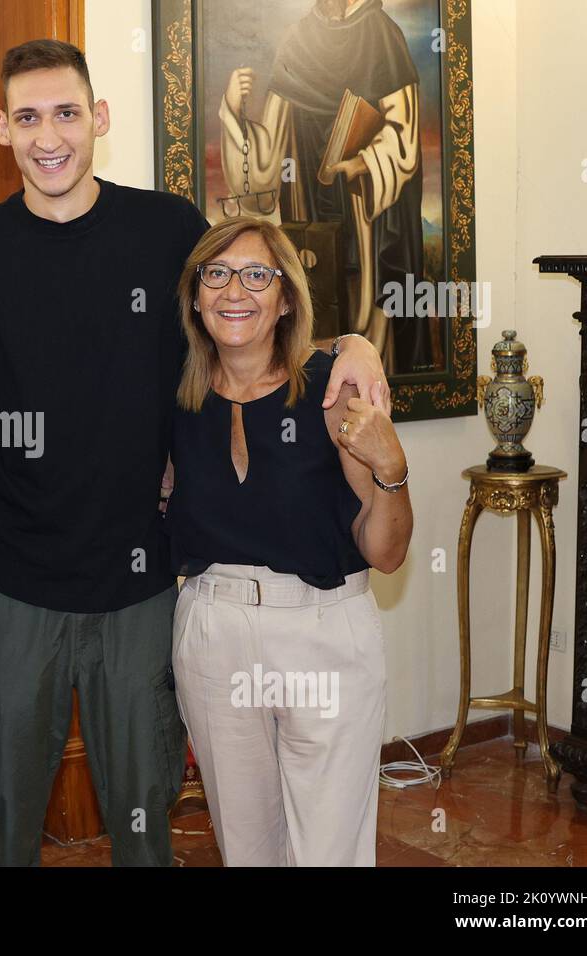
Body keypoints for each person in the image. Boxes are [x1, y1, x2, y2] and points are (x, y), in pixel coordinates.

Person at [0, 38, 390, 866]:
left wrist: (355, 340)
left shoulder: (166, 228)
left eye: (66, 112)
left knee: (144, 819)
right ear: (2, 129)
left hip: (142, 582)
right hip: (9, 580)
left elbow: (252, 294)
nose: (48, 135)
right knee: (0, 815)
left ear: (98, 117)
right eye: (27, 118)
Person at [167, 216, 412, 866]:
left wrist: (392, 472)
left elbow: (386, 552)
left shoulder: (333, 389)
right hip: (215, 634)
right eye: (216, 275)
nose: (234, 291)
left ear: (284, 297)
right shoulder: (177, 398)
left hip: (323, 632)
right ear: (195, 295)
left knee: (329, 853)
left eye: (256, 275)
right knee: (247, 850)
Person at [219, 0, 430, 372]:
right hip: (309, 212)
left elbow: (403, 138)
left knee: (360, 312)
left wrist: (362, 163)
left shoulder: (382, 35)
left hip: (366, 211)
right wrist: (234, 113)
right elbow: (267, 155)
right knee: (314, 311)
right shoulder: (299, 39)